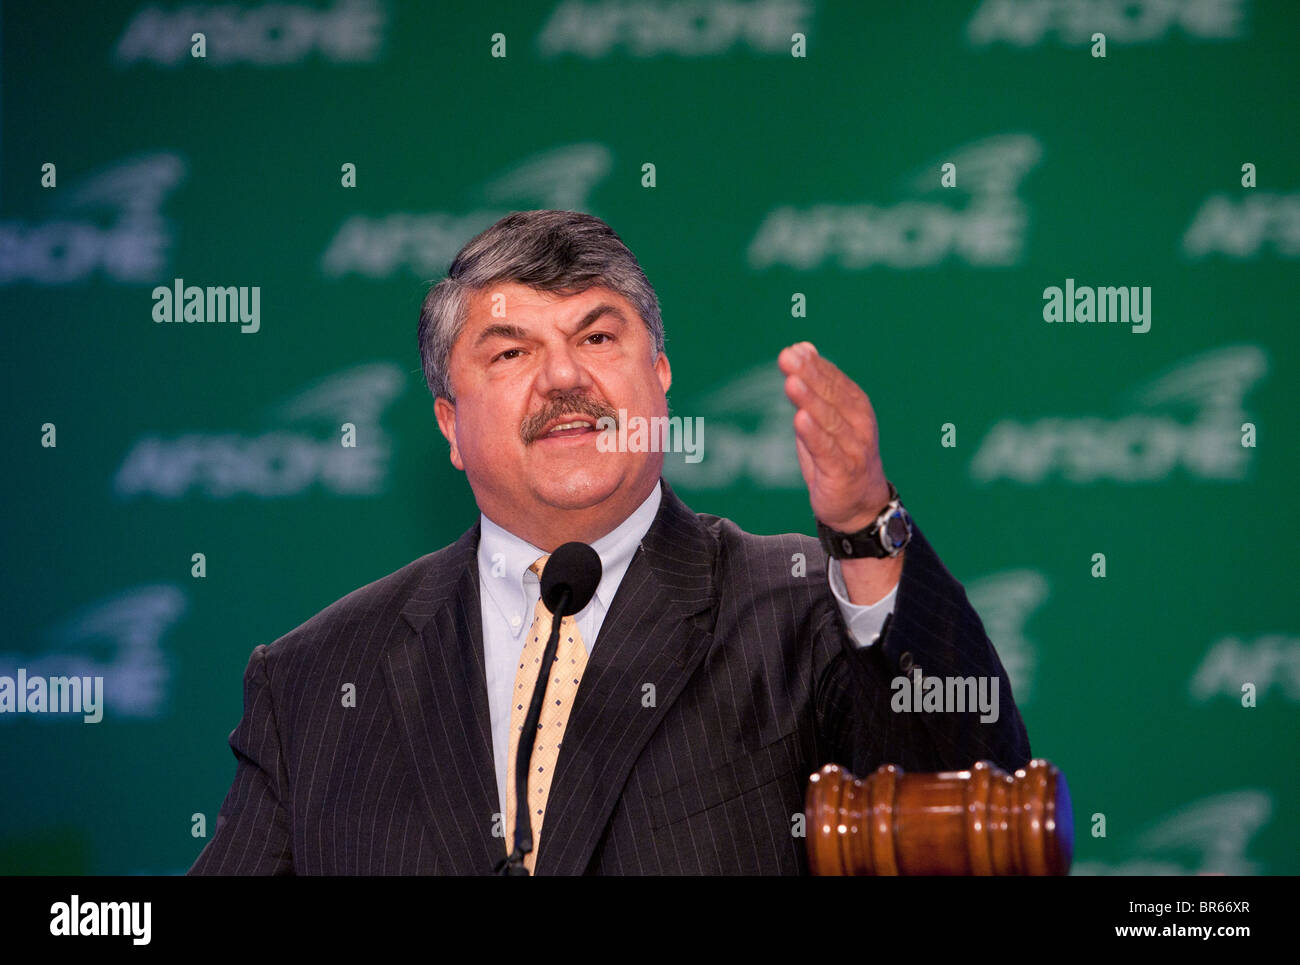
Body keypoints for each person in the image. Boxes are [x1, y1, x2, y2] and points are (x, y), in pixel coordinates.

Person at [189, 209, 1029, 876]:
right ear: (449, 421)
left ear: (658, 376)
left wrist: (864, 533)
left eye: (596, 338)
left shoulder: (801, 606)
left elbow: (973, 805)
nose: (564, 378)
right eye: (512, 350)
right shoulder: (313, 681)